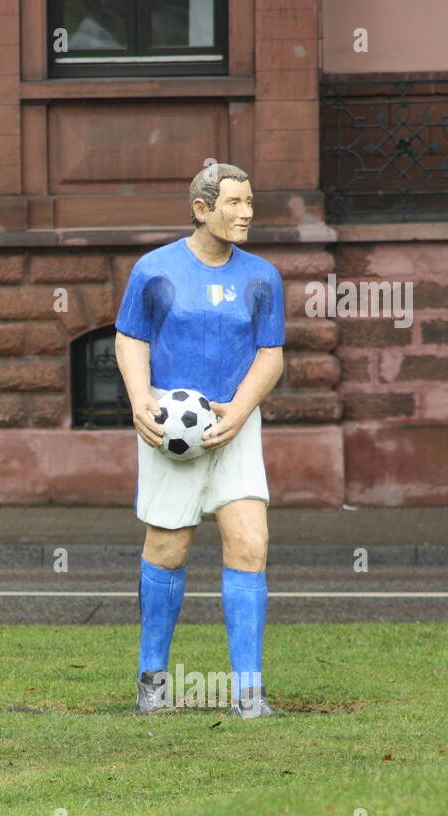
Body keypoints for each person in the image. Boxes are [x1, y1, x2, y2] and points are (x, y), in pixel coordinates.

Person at [114, 160, 286, 719]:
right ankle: (153, 680)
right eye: (234, 203)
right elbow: (130, 338)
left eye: (250, 202)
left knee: (250, 544)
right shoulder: (154, 271)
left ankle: (248, 694)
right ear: (201, 210)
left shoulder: (262, 277)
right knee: (168, 548)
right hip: (171, 430)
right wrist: (142, 399)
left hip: (235, 426)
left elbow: (271, 354)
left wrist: (239, 411)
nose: (247, 213)